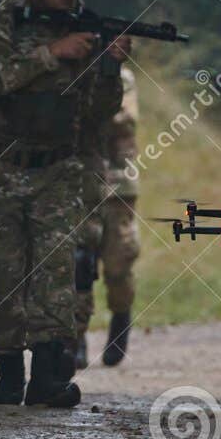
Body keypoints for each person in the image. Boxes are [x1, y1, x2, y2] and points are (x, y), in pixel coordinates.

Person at [0, 0, 127, 407]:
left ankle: (49, 376)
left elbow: (99, 113)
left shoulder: (86, 29)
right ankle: (9, 374)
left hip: (58, 168)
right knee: (0, 271)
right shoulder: (1, 23)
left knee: (56, 271)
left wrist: (110, 67)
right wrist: (54, 53)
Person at [73, 65, 142, 368]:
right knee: (79, 265)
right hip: (79, 184)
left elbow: (126, 119)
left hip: (117, 186)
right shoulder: (73, 72)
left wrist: (82, 112)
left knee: (118, 264)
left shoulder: (120, 77)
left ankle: (120, 323)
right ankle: (76, 338)